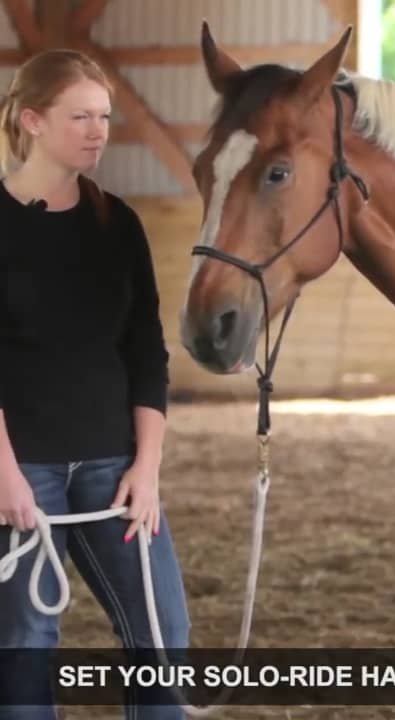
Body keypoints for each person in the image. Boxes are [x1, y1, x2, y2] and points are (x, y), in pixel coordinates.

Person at [0, 49, 191, 719]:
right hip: (22, 469)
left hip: (116, 468)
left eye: (105, 116)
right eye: (80, 116)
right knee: (24, 643)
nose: (98, 131)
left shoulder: (119, 224)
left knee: (163, 633)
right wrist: (6, 476)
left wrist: (148, 467)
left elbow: (147, 352)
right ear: (31, 120)